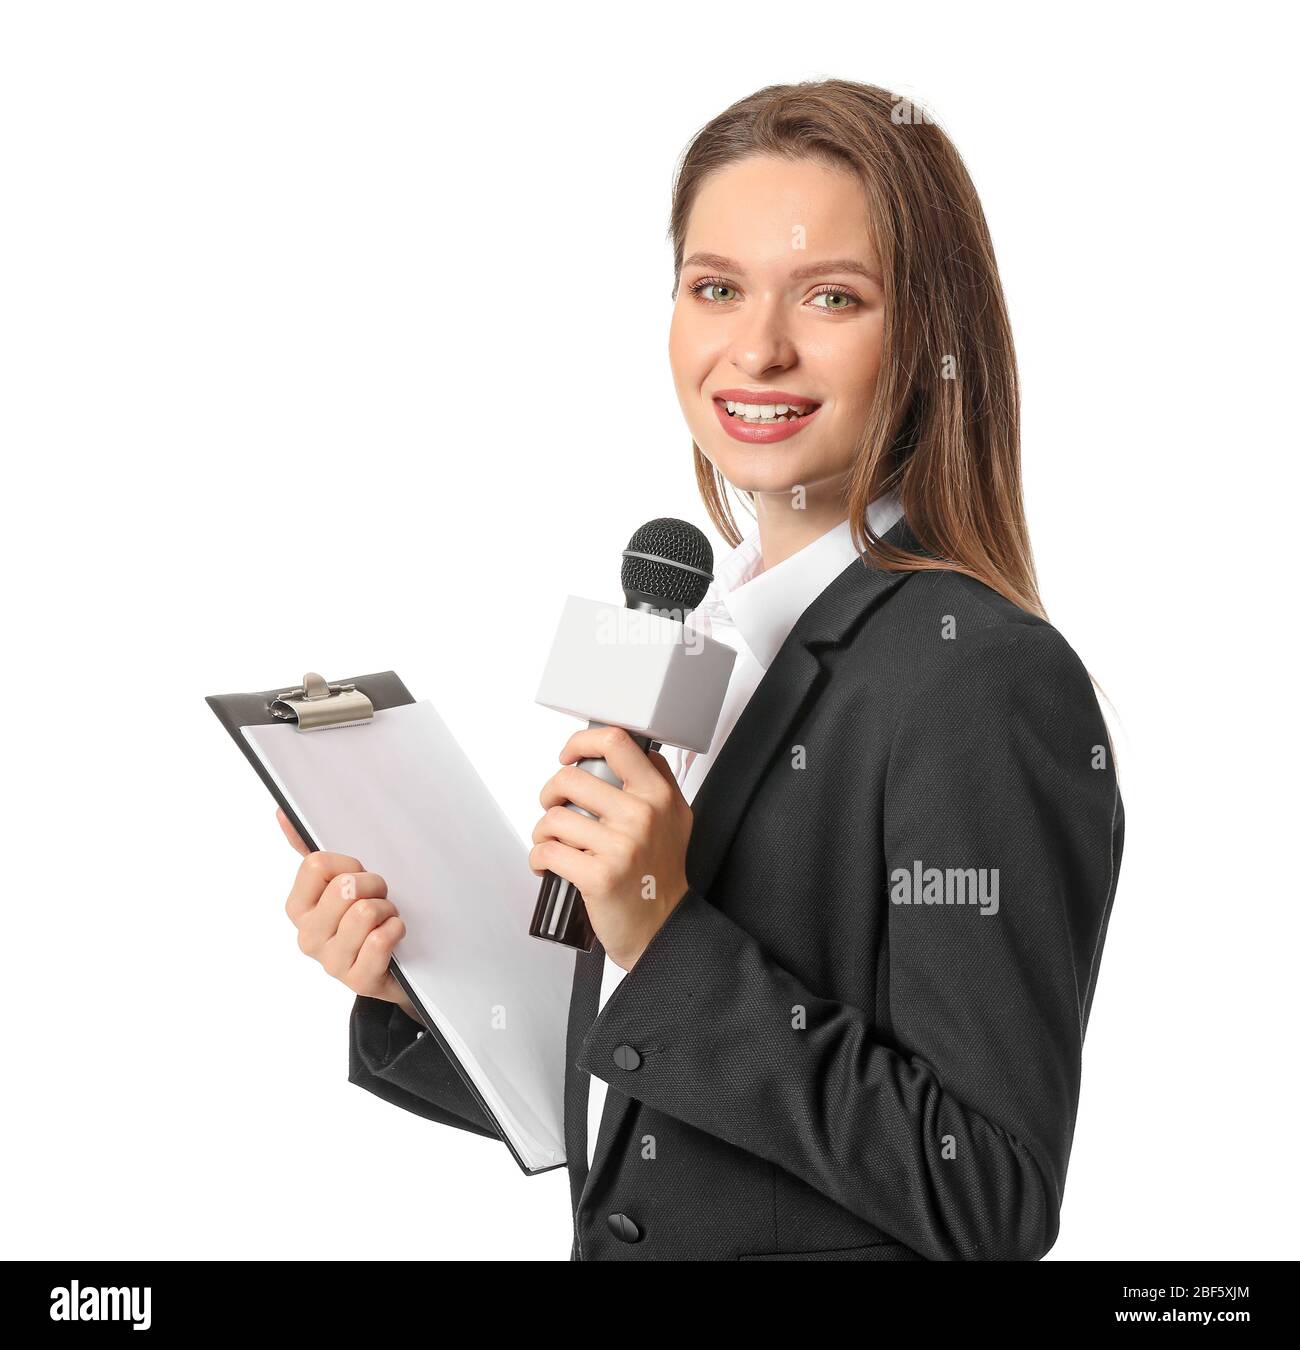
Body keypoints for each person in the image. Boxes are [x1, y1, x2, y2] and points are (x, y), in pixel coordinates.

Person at [278, 78, 1123, 1261]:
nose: (757, 348)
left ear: (931, 337)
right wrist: (419, 984)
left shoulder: (978, 679)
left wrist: (666, 932)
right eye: (715, 287)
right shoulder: (687, 621)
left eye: (831, 296)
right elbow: (648, 1096)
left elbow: (987, 1195)